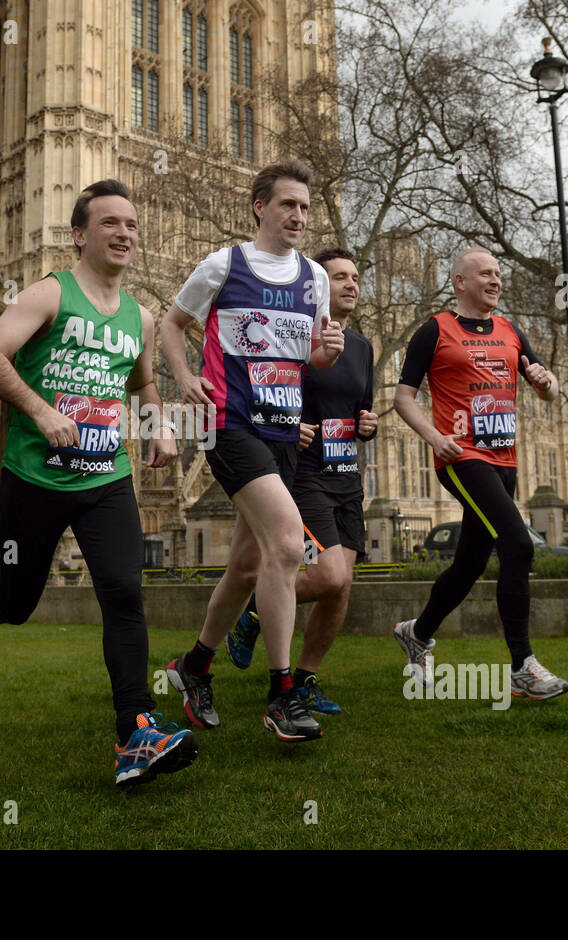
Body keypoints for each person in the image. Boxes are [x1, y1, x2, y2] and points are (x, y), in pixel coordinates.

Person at [0, 179, 196, 787]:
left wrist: (158, 426)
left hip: (106, 477)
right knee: (18, 600)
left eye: (132, 225)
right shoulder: (48, 294)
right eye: (110, 223)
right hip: (34, 476)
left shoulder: (139, 316)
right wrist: (40, 411)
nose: (124, 233)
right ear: (80, 235)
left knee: (123, 594)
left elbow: (141, 383)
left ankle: (135, 732)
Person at [160, 160, 345, 742]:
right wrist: (185, 378)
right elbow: (170, 325)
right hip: (229, 425)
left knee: (245, 565)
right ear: (260, 207)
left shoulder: (314, 276)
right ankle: (282, 695)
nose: (298, 216)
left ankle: (194, 666)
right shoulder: (224, 264)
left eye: (306, 208)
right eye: (288, 204)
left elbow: (311, 358)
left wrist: (329, 352)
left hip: (284, 432)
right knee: (290, 545)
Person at [391, 248, 568, 700]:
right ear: (460, 282)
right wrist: (435, 438)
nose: (496, 281)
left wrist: (547, 383)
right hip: (462, 456)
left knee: (471, 562)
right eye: (486, 274)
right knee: (518, 544)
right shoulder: (434, 330)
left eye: (498, 274)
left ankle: (419, 631)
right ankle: (522, 667)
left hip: (504, 459)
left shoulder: (510, 330)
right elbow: (403, 398)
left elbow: (547, 389)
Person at [225, 248, 376, 716]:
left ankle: (306, 679)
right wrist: (291, 427)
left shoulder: (363, 347)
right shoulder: (295, 336)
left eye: (355, 277)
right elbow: (268, 392)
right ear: (317, 286)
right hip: (303, 475)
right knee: (330, 574)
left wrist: (367, 423)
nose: (350, 284)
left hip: (347, 474)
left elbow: (357, 410)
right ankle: (251, 611)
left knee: (343, 585)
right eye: (339, 277)